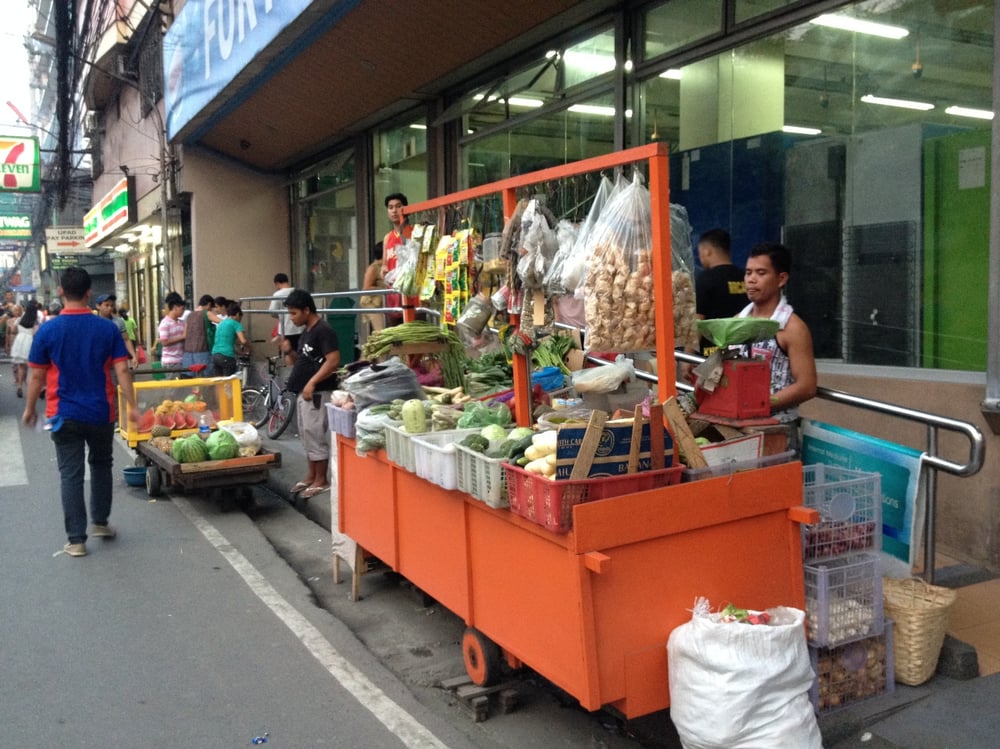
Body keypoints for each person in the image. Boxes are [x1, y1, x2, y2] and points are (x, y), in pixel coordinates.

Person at [22, 266, 138, 558]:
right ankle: (100, 523)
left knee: (70, 475)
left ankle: (76, 541)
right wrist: (133, 407)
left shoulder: (48, 330)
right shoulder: (107, 328)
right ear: (89, 293)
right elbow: (122, 369)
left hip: (63, 414)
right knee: (101, 465)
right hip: (101, 411)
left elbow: (36, 376)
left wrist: (28, 410)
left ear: (61, 292)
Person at [736, 242, 817, 433]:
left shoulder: (792, 327)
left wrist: (760, 404)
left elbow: (807, 386)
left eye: (761, 273)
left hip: (777, 429)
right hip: (737, 426)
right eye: (748, 273)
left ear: (781, 279)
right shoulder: (737, 321)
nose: (751, 280)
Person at [283, 289, 340, 499]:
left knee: (314, 433)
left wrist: (312, 383)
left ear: (307, 310)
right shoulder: (307, 331)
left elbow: (333, 360)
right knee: (306, 433)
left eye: (294, 313)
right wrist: (289, 351)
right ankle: (311, 475)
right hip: (304, 392)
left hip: (317, 392)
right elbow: (304, 359)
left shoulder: (323, 330)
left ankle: (321, 479)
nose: (291, 318)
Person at [695, 228, 747, 356]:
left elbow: (698, 321)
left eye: (700, 253)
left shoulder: (705, 279)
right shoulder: (746, 277)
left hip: (711, 354)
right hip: (742, 351)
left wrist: (688, 355)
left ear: (707, 252)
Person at [381, 193, 412, 323]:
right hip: (393, 298)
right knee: (395, 340)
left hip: (412, 298)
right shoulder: (387, 238)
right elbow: (384, 265)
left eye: (398, 206)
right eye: (390, 207)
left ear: (405, 208)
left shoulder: (413, 232)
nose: (394, 210)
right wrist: (384, 273)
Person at [269, 273, 305, 363]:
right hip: (301, 328)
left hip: (286, 329)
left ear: (277, 283)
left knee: (288, 353)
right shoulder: (297, 292)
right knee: (301, 352)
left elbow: (272, 312)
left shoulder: (277, 294)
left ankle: (290, 373)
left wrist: (281, 316)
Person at [96, 293, 138, 369]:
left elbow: (126, 339)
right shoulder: (93, 323)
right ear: (98, 306)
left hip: (117, 360)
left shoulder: (118, 322)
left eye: (112, 306)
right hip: (99, 361)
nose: (109, 308)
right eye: (106, 305)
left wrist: (133, 356)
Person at [182, 294, 220, 375]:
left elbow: (185, 334)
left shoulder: (190, 315)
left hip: (188, 353)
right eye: (211, 307)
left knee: (192, 379)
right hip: (203, 351)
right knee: (206, 378)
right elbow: (223, 322)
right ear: (209, 304)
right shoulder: (206, 313)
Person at [211, 301, 251, 376]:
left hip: (215, 355)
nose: (240, 320)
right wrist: (250, 349)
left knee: (219, 382)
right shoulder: (236, 324)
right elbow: (243, 341)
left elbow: (225, 344)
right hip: (226, 357)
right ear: (237, 314)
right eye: (240, 318)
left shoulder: (221, 324)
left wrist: (240, 353)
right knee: (230, 383)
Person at [11, 300, 40, 398]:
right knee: (32, 368)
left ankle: (19, 386)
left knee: (21, 367)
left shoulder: (19, 319)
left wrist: (20, 332)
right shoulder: (35, 321)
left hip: (20, 342)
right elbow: (36, 333)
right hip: (30, 343)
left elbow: (13, 330)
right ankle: (31, 388)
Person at [157, 294, 187, 369]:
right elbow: (164, 342)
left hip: (181, 360)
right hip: (170, 362)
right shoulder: (165, 323)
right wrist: (182, 337)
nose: (183, 311)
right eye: (182, 309)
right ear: (175, 308)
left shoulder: (182, 323)